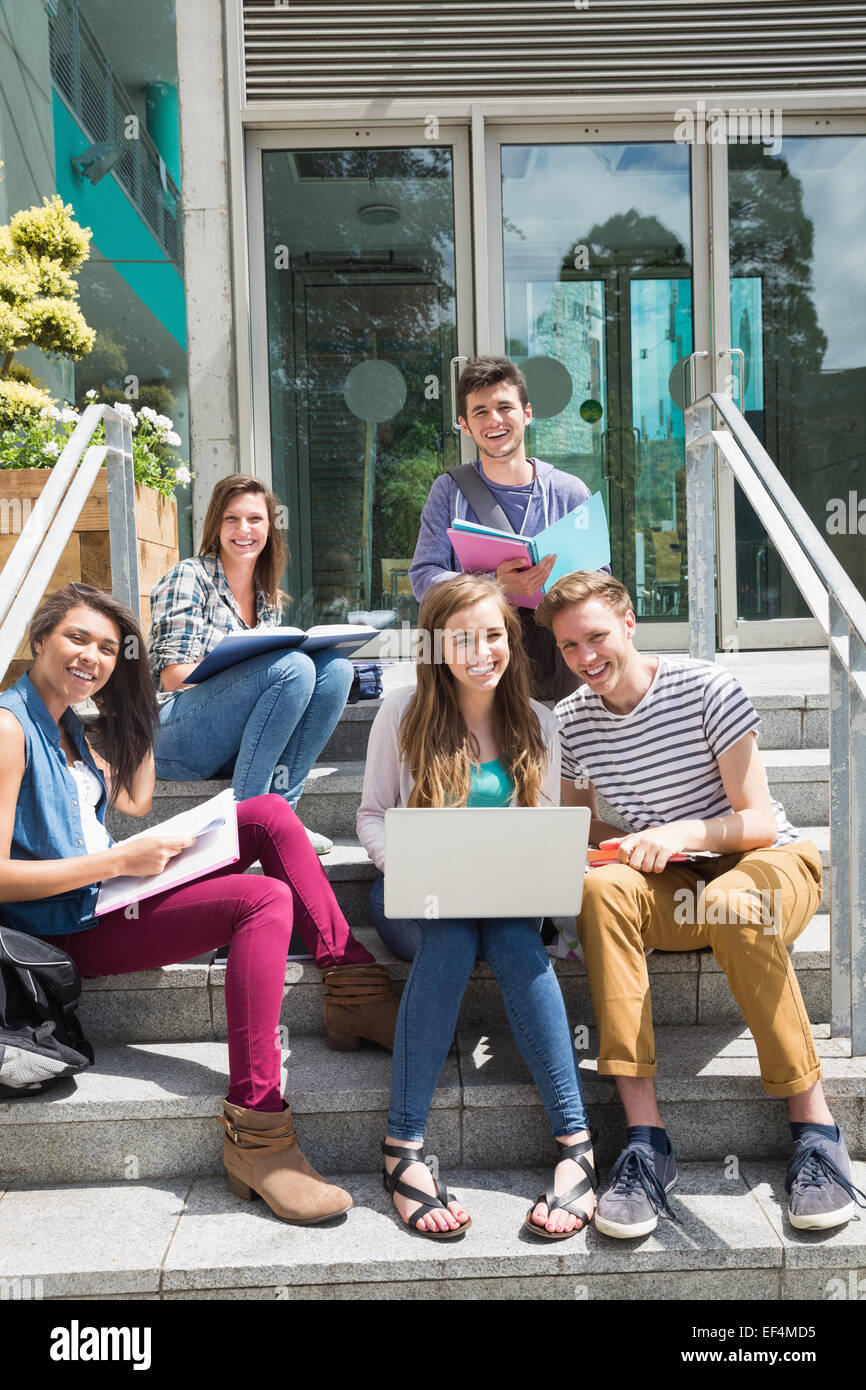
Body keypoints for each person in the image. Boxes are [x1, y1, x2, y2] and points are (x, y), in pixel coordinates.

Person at [0, 583, 399, 1223]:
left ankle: (352, 985)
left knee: (266, 812)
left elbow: (133, 801)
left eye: (107, 649)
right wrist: (118, 863)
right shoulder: (8, 728)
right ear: (40, 639)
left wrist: (131, 702)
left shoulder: (66, 725)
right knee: (262, 901)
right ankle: (258, 1132)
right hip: (64, 928)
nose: (91, 657)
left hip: (107, 892)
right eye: (77, 639)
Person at [535, 570, 866, 1237]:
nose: (585, 658)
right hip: (672, 880)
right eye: (569, 647)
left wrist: (680, 833)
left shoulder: (707, 687)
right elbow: (583, 830)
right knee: (601, 890)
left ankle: (816, 1127)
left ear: (629, 623)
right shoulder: (571, 719)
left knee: (734, 900)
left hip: (763, 865)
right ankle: (646, 1142)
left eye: (596, 637)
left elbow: (757, 823)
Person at [357, 573, 597, 1239]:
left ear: (511, 641)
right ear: (436, 645)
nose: (481, 650)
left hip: (506, 895)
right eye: (463, 638)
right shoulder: (401, 713)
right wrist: (403, 862)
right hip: (414, 894)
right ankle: (403, 1149)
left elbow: (544, 829)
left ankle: (576, 1145)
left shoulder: (538, 722)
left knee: (516, 940)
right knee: (453, 936)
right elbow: (372, 817)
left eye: (493, 636)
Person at [149, 474, 347, 857]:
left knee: (335, 669)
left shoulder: (266, 595)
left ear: (270, 528)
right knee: (292, 668)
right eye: (231, 519)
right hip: (175, 736)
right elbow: (173, 677)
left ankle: (281, 816)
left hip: (234, 741)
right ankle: (247, 820)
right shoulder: (189, 577)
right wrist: (248, 676)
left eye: (255, 519)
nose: (244, 529)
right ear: (216, 526)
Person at [409, 355, 596, 702]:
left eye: (504, 407)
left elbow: (600, 583)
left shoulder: (570, 493)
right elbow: (423, 578)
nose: (494, 420)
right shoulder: (448, 491)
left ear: (527, 413)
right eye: (480, 411)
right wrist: (494, 585)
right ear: (465, 425)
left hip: (551, 660)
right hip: (472, 659)